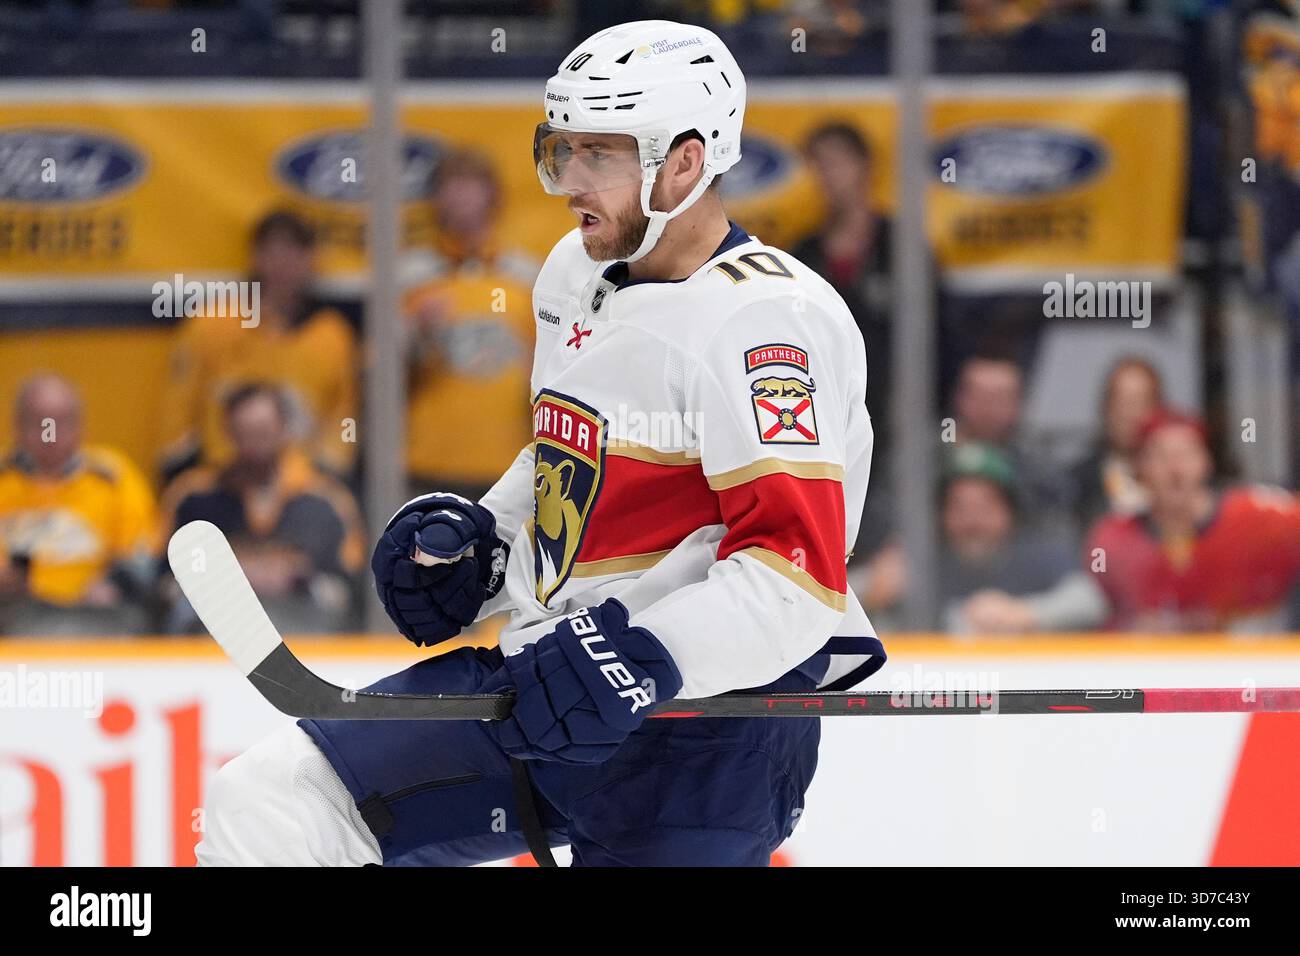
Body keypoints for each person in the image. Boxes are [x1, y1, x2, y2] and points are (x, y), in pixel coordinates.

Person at [196, 19, 883, 868]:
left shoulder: (767, 324)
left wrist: (650, 655)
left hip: (704, 732)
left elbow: (795, 572)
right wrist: (482, 552)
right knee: (269, 805)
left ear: (686, 162)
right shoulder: (573, 269)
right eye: (561, 150)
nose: (570, 181)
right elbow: (569, 459)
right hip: (546, 677)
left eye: (600, 154)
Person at [156, 210, 359, 482]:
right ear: (256, 257)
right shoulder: (214, 323)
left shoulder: (333, 337)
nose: (284, 263)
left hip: (297, 486)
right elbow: (178, 403)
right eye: (274, 251)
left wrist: (332, 469)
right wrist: (177, 466)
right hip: (222, 481)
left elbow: (343, 416)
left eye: (294, 252)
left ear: (311, 259)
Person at [158, 383, 364, 634]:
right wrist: (230, 576)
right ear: (228, 431)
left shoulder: (325, 500)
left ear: (286, 429)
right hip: (213, 637)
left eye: (262, 431)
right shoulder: (195, 497)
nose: (253, 444)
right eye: (244, 433)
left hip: (303, 636)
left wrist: (298, 577)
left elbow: (351, 584)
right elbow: (163, 577)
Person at [402, 149, 540, 501]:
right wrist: (413, 333)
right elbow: (375, 379)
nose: (461, 195)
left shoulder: (527, 276)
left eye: (471, 185)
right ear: (436, 198)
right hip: (427, 464)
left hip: (511, 465)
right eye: (452, 185)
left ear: (492, 195)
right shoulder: (411, 277)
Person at [1085, 409, 1300, 632]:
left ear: (1206, 461)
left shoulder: (1262, 516)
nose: (1175, 469)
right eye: (1161, 456)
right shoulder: (1112, 541)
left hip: (1257, 663)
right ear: (1139, 468)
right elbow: (1097, 613)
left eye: (1186, 454)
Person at [0, 374, 157, 635]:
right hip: (11, 612)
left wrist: (114, 584)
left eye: (60, 422)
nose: (49, 434)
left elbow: (143, 554)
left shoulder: (112, 476)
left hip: (94, 614)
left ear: (78, 426)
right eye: (39, 423)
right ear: (18, 425)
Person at [936, 443, 1105, 634]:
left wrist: (1023, 612)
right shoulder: (923, 562)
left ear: (1011, 511)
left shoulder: (1040, 552)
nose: (972, 521)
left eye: (985, 507)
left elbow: (1089, 602)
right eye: (959, 508)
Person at [1067, 357, 1165, 534]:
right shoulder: (1075, 484)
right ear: (1105, 409)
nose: (1131, 415)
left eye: (1141, 403)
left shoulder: (1178, 479)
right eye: (1122, 403)